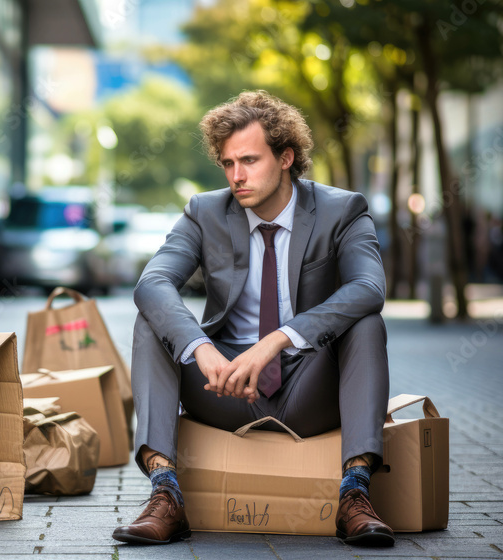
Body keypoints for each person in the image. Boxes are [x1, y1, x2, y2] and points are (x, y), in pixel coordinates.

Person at [112, 91, 393, 547]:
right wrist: (201, 348)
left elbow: (369, 289)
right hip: (222, 385)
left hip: (309, 384)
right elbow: (153, 282)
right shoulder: (205, 212)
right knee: (154, 323)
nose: (237, 176)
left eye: (249, 160)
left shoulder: (343, 210)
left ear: (286, 157)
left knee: (366, 323)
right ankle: (165, 496)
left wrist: (279, 339)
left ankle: (354, 496)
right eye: (227, 164)